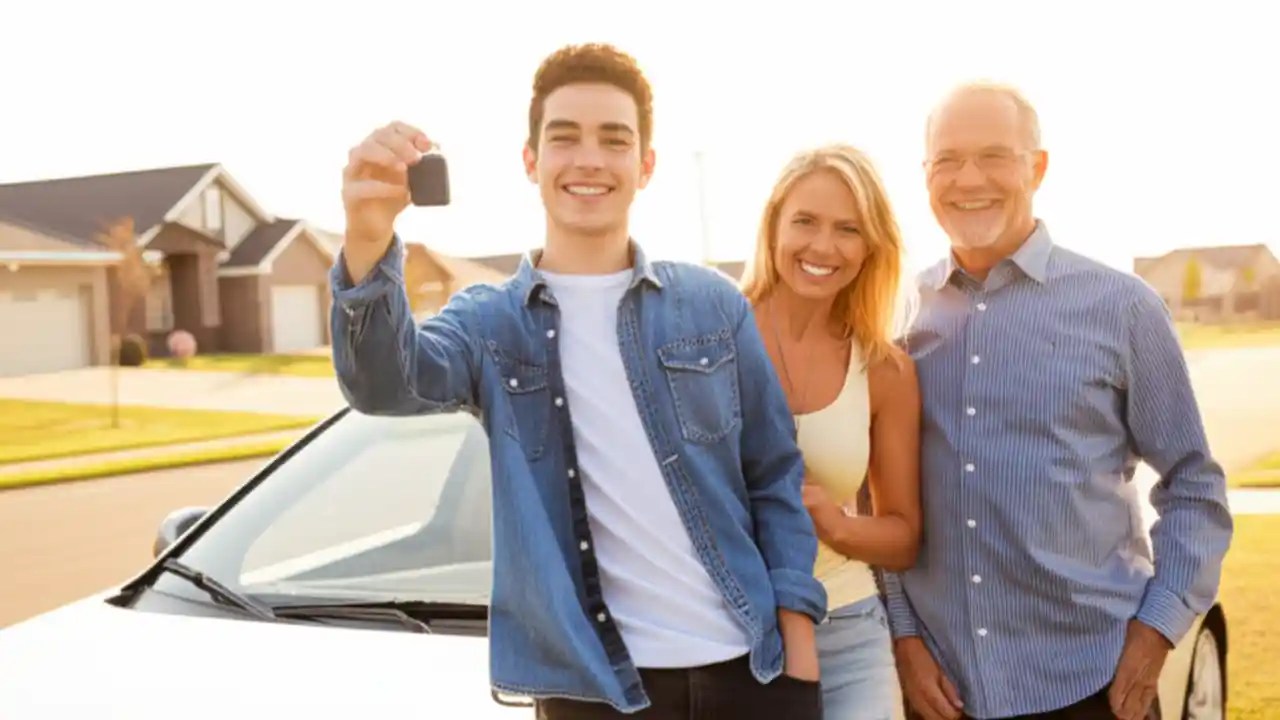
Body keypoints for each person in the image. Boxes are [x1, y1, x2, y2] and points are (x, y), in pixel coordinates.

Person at [328, 43, 828, 719]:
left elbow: (772, 473)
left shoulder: (711, 305)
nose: (589, 158)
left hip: (752, 675)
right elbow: (383, 385)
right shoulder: (489, 322)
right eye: (564, 138)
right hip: (593, 690)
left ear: (644, 165)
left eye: (613, 139)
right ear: (531, 161)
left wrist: (798, 646)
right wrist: (366, 239)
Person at [883, 81, 1234, 720]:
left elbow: (1193, 488)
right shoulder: (899, 317)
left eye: (994, 156)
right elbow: (877, 497)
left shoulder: (1122, 308)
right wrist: (904, 637)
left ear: (1036, 167)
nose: (968, 179)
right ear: (926, 175)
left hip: (1090, 687)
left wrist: (1156, 630)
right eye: (947, 160)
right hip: (940, 695)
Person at [739, 144, 922, 720]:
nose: (823, 247)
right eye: (805, 222)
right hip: (727, 637)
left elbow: (903, 537)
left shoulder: (885, 369)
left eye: (848, 229)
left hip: (847, 630)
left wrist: (837, 525)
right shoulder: (711, 336)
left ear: (871, 248)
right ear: (773, 226)